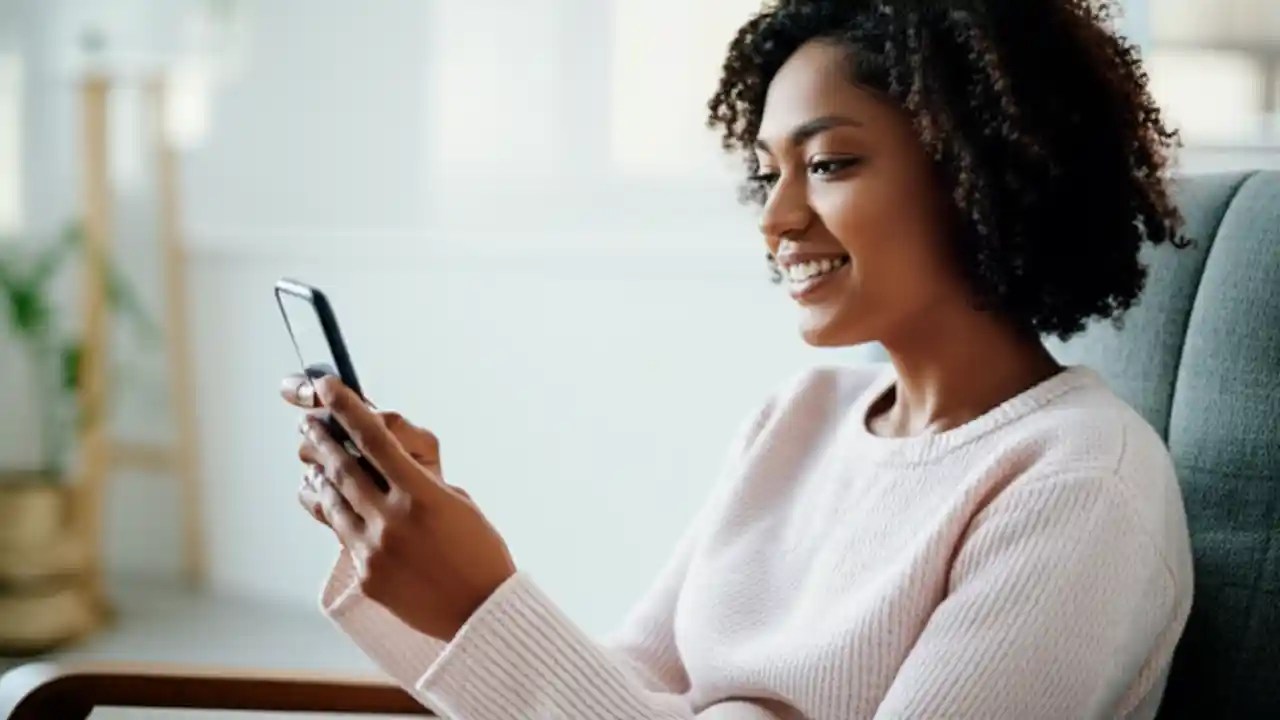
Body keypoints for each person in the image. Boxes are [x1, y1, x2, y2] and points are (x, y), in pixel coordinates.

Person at [281, 1, 1194, 717]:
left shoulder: (1078, 486)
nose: (775, 217)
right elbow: (630, 687)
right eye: (768, 173)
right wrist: (425, 559)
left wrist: (478, 601)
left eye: (829, 164)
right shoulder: (801, 415)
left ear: (980, 172)